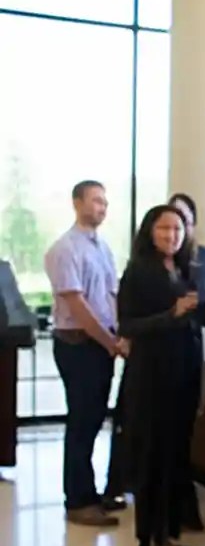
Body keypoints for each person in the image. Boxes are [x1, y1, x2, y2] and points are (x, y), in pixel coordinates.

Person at [117, 204, 203, 546]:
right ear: (150, 232)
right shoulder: (139, 271)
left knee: (172, 458)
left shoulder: (182, 269)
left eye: (178, 229)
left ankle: (167, 535)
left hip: (181, 376)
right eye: (165, 229)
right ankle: (149, 543)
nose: (172, 236)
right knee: (152, 459)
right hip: (151, 378)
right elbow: (128, 326)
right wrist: (173, 314)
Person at [43, 180, 127, 527]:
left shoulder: (102, 247)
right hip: (78, 344)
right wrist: (110, 342)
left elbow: (110, 296)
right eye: (95, 201)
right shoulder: (65, 249)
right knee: (81, 422)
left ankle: (90, 493)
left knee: (93, 421)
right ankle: (77, 500)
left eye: (105, 202)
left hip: (101, 344)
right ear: (77, 203)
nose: (102, 207)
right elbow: (77, 305)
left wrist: (119, 334)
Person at [166, 192, 205, 533]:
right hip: (161, 351)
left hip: (192, 345)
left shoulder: (203, 258)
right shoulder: (152, 266)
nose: (175, 231)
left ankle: (183, 506)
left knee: (185, 428)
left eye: (183, 223)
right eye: (169, 223)